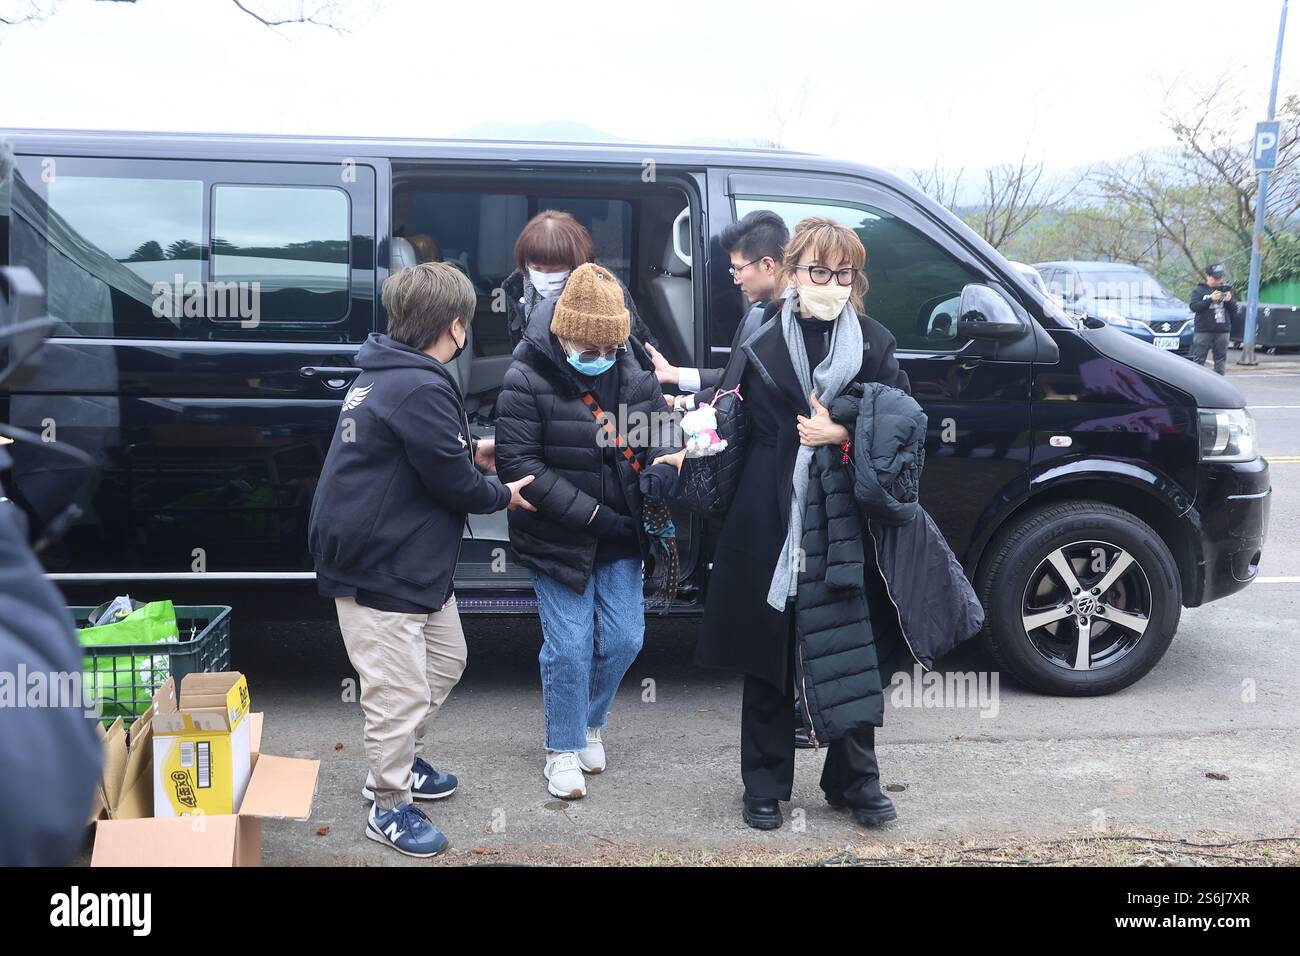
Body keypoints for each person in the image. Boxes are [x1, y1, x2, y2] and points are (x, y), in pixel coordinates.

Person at [308, 262, 537, 858]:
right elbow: (454, 484)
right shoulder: (418, 383)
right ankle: (388, 804)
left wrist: (469, 451)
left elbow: (430, 451)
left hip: (405, 557)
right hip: (378, 563)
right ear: (456, 326)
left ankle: (400, 759)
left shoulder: (393, 373)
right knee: (397, 692)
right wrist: (504, 493)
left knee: (446, 659)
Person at [690, 217, 911, 830]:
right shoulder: (758, 334)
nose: (831, 282)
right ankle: (763, 784)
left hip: (842, 517)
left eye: (843, 273)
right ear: (790, 272)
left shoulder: (874, 341)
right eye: (819, 270)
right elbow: (727, 415)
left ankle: (853, 780)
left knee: (847, 652)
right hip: (765, 515)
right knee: (769, 657)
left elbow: (903, 419)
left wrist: (842, 431)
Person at [495, 263, 679, 800]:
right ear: (562, 331)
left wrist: (666, 464)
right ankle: (561, 749)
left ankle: (589, 723)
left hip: (621, 534)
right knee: (568, 646)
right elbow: (519, 464)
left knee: (626, 638)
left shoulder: (634, 370)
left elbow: (658, 430)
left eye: (609, 348)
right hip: (556, 534)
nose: (597, 357)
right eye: (586, 346)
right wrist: (596, 517)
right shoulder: (524, 377)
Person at [648, 209, 789, 411]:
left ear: (768, 265)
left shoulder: (802, 318)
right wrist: (675, 378)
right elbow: (735, 376)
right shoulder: (759, 314)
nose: (735, 278)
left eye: (738, 269)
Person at [502, 210, 654, 349]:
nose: (545, 276)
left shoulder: (605, 289)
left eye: (555, 270)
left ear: (576, 263)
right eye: (537, 268)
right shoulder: (518, 289)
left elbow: (634, 348)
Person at [1188, 262, 1236, 375]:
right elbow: (1194, 307)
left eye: (1220, 277)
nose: (1218, 280)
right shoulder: (1199, 290)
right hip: (1203, 331)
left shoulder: (1225, 289)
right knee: (1198, 360)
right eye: (1215, 277)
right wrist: (1210, 299)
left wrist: (1229, 301)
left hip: (1222, 330)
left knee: (1220, 361)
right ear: (1207, 276)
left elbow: (1234, 309)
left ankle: (1219, 386)